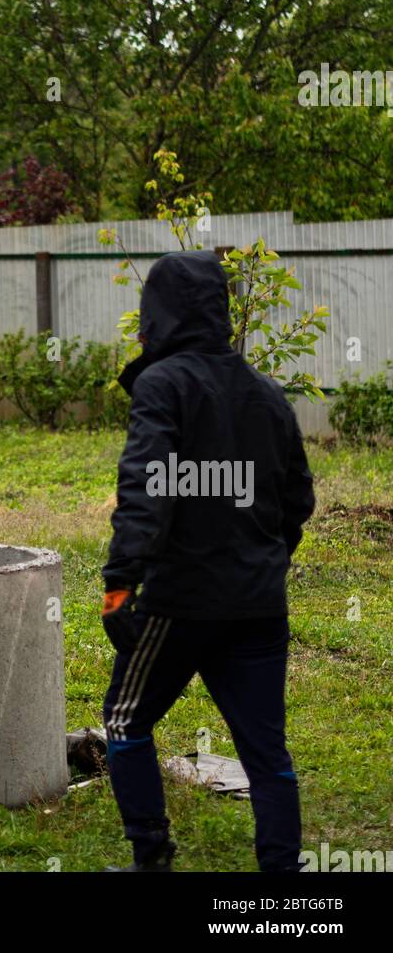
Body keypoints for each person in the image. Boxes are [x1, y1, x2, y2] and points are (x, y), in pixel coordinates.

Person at [100, 249, 315, 873]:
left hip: (178, 606)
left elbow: (146, 488)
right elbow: (297, 499)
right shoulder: (267, 394)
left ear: (159, 317)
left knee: (124, 723)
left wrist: (120, 587)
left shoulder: (163, 386)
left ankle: (152, 857)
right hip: (257, 606)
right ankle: (282, 876)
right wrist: (262, 563)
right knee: (267, 755)